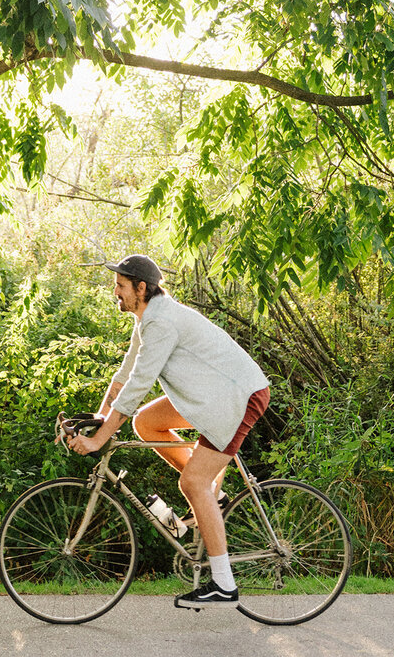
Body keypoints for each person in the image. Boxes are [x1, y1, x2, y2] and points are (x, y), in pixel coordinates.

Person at [69, 254, 270, 607]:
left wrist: (99, 439)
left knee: (192, 483)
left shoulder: (161, 322)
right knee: (146, 423)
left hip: (237, 397)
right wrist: (101, 418)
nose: (115, 292)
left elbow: (138, 385)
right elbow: (125, 376)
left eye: (120, 285)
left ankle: (224, 584)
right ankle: (214, 495)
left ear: (140, 288)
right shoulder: (148, 319)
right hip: (211, 394)